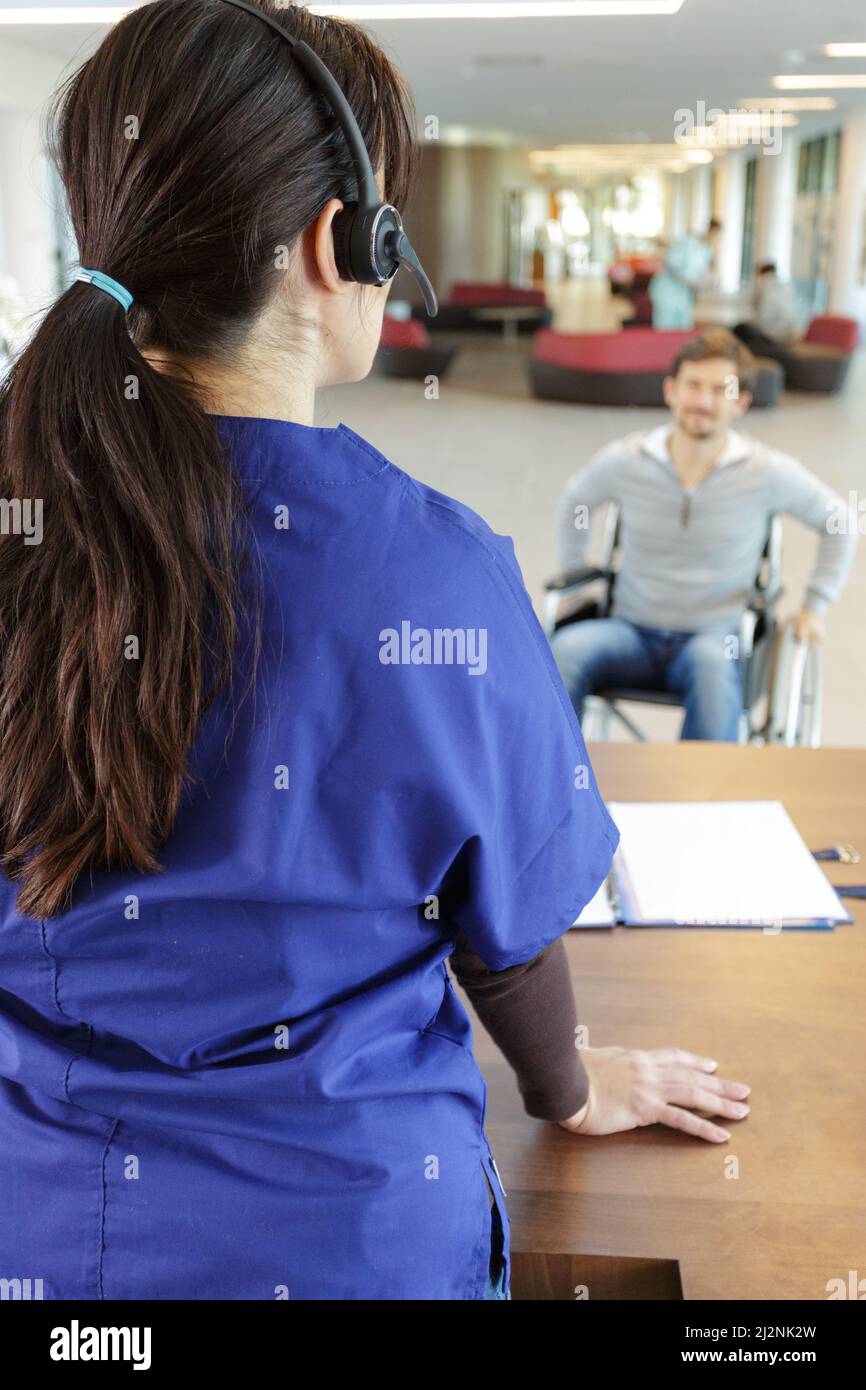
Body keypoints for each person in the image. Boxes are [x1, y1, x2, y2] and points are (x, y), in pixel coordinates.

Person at [0, 1, 751, 1303]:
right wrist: (568, 1085)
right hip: (341, 1245)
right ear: (336, 241)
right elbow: (503, 936)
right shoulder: (431, 572)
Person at [550, 329, 858, 742]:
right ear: (671, 390)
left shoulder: (766, 472)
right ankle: (552, 792)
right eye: (693, 385)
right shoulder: (629, 460)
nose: (704, 401)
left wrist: (815, 606)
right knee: (563, 652)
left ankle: (700, 802)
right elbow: (576, 501)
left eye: (721, 389)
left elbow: (840, 521)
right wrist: (573, 573)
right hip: (630, 630)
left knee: (713, 671)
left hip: (714, 638)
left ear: (742, 402)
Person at [649, 218, 721, 329]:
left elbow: (702, 272)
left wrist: (709, 280)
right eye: (714, 232)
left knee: (683, 329)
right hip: (668, 292)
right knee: (664, 329)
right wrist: (686, 280)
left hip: (684, 296)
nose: (714, 236)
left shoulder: (708, 250)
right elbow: (670, 263)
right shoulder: (688, 242)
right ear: (708, 229)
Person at [733, 261, 800, 363]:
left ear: (760, 273)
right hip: (790, 334)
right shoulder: (786, 286)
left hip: (771, 336)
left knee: (739, 330)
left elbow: (761, 317)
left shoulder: (762, 284)